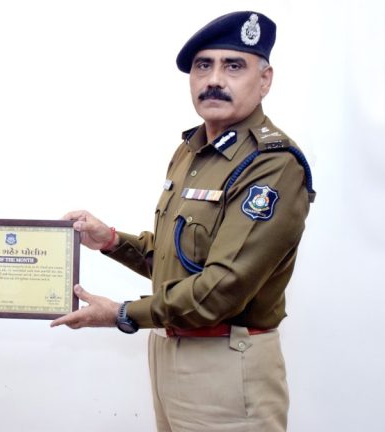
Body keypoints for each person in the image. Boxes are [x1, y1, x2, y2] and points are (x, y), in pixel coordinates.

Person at [52, 11, 315, 432]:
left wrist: (122, 313)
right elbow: (178, 260)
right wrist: (111, 240)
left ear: (264, 80)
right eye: (202, 66)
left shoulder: (271, 164)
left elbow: (221, 290)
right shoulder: (192, 152)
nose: (214, 79)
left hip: (226, 368)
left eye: (233, 66)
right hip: (170, 357)